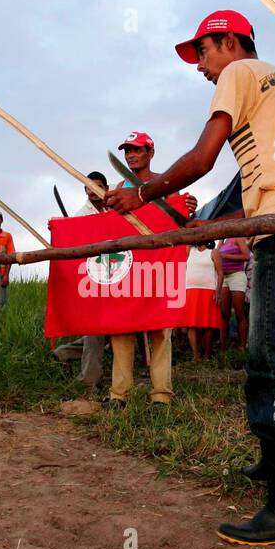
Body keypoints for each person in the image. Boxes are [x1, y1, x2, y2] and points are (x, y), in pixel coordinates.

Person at [104, 10, 275, 546]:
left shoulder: (241, 74)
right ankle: (271, 460)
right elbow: (244, 183)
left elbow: (205, 157)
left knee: (271, 365)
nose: (203, 69)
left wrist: (144, 193)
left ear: (231, 42)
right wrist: (203, 227)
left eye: (205, 53)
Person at [104, 132, 177, 409]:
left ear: (150, 153)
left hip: (158, 264)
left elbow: (175, 219)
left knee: (160, 328)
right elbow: (107, 226)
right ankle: (118, 394)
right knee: (121, 328)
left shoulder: (165, 184)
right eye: (127, 151)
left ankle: (161, 394)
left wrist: (186, 208)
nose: (131, 155)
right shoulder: (117, 188)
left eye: (136, 150)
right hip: (127, 266)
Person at [52, 170, 110, 394]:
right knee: (96, 326)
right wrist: (62, 230)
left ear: (105, 188)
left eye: (97, 187)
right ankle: (89, 379)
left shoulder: (116, 209)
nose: (93, 191)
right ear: (85, 191)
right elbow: (71, 244)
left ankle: (65, 352)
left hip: (117, 272)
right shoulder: (80, 215)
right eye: (89, 187)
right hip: (93, 275)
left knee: (117, 327)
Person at [184, 243, 223, 361]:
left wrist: (218, 291)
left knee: (209, 324)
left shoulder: (214, 252)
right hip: (190, 289)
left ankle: (207, 355)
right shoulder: (189, 249)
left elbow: (220, 273)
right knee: (191, 324)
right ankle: (195, 355)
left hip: (209, 290)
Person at [213, 236, 250, 351]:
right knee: (224, 314)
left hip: (236, 275)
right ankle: (223, 347)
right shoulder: (222, 240)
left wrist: (225, 256)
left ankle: (242, 347)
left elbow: (246, 256)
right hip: (224, 277)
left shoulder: (238, 237)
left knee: (239, 313)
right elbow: (216, 255)